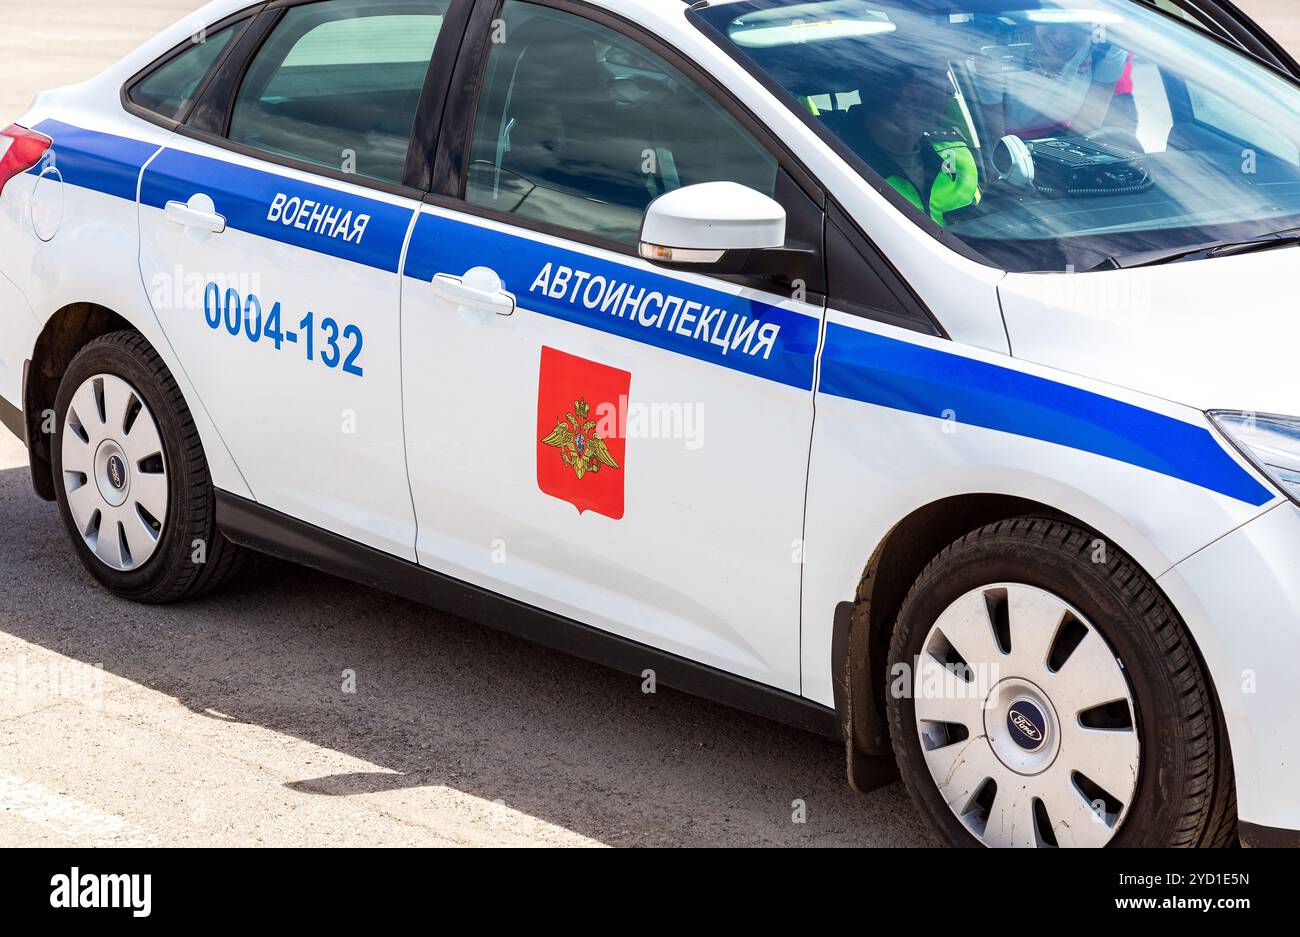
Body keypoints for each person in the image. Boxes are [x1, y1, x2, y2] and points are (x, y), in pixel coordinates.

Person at [838, 63, 982, 226]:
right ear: (914, 86)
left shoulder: (957, 153)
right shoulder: (840, 167)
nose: (950, 90)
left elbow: (987, 221)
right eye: (942, 76)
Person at [978, 20, 1129, 142]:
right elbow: (993, 130)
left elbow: (1092, 113)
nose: (1063, 37)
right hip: (1005, 139)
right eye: (1054, 21)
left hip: (1066, 132)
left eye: (1078, 26)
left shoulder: (1108, 40)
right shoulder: (995, 44)